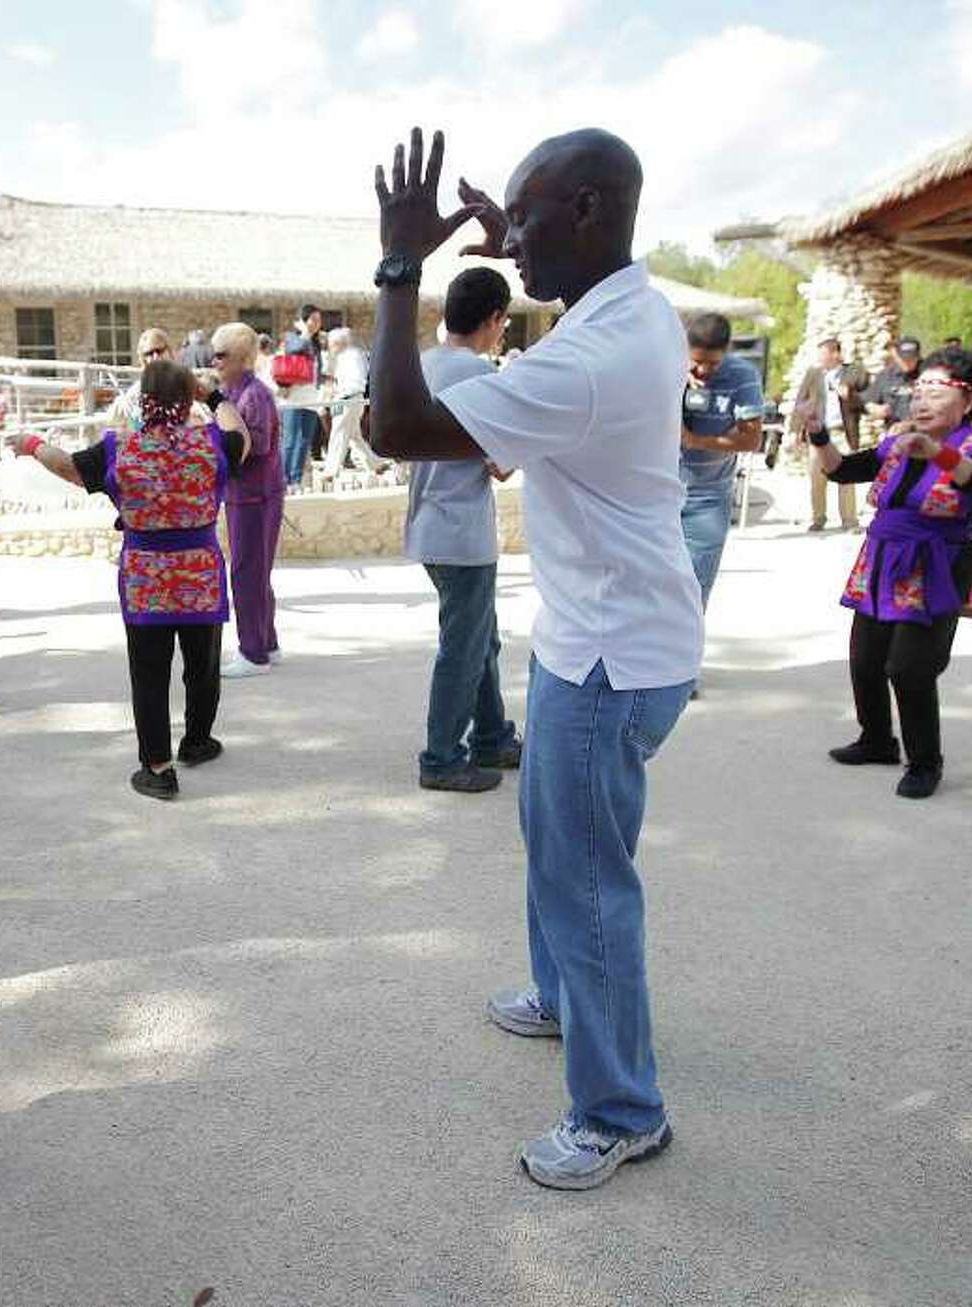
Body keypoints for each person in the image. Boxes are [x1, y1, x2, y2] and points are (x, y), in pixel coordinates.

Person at [367, 127, 701, 1191]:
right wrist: (508, 216)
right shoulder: (623, 317)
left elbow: (392, 423)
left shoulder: (594, 355)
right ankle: (565, 998)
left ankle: (620, 1109)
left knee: (588, 874)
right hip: (597, 636)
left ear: (594, 211)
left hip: (611, 651)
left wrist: (400, 265)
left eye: (529, 216)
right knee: (555, 837)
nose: (508, 243)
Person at [11, 361, 250, 798]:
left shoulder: (119, 448)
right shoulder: (210, 443)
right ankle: (197, 743)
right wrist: (212, 396)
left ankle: (158, 769)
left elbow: (65, 465)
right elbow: (242, 434)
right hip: (199, 575)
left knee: (149, 673)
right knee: (203, 666)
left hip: (146, 580)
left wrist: (29, 443)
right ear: (187, 399)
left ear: (143, 401)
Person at [812, 346, 972, 800]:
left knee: (909, 668)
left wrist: (935, 452)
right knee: (865, 660)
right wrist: (818, 435)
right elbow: (843, 471)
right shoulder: (897, 444)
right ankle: (877, 740)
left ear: (969, 399)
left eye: (936, 391)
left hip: (937, 564)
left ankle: (925, 762)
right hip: (881, 560)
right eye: (919, 389)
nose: (921, 400)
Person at [405, 267, 521, 793]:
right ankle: (442, 756)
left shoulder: (422, 365)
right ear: (495, 319)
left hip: (428, 523)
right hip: (464, 531)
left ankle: (493, 736)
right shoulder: (480, 377)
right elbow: (502, 463)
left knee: (480, 639)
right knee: (465, 646)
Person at [677, 313, 763, 627]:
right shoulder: (667, 369)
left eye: (712, 364)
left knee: (694, 589)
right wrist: (675, 384)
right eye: (696, 362)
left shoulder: (743, 376)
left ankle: (679, 663)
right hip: (658, 495)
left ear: (726, 352)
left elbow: (752, 438)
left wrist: (697, 440)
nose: (703, 370)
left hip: (707, 498)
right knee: (648, 585)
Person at [210, 322, 285, 677]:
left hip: (255, 495)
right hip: (250, 494)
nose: (215, 361)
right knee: (256, 572)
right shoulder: (241, 392)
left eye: (221, 355)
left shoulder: (253, 395)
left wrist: (218, 442)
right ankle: (266, 642)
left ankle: (253, 652)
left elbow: (256, 446)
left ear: (241, 358)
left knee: (246, 573)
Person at [787, 337, 870, 531]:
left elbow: (864, 390)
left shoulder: (852, 371)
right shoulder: (813, 374)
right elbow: (801, 402)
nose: (819, 358)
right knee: (817, 477)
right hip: (818, 432)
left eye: (823, 353)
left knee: (847, 477)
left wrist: (848, 393)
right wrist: (795, 429)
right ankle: (818, 518)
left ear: (835, 354)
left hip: (842, 431)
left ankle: (849, 520)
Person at [320, 326, 388, 482]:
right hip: (354, 399)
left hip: (347, 398)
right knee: (354, 435)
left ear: (338, 343)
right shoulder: (356, 354)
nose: (330, 348)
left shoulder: (348, 357)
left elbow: (347, 382)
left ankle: (331, 470)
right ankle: (375, 463)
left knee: (338, 433)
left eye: (332, 344)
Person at [276, 305, 326, 488]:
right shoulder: (294, 338)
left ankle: (295, 479)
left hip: (310, 397)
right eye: (313, 319)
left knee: (304, 440)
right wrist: (305, 332)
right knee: (290, 439)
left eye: (319, 320)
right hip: (293, 396)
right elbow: (295, 349)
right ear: (303, 320)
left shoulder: (316, 344)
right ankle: (283, 478)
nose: (316, 323)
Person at [863, 337, 923, 432]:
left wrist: (910, 424)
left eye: (912, 359)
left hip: (925, 435)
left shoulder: (928, 374)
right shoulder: (886, 375)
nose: (907, 362)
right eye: (904, 358)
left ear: (918, 356)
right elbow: (868, 401)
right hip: (895, 434)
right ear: (897, 356)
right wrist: (875, 409)